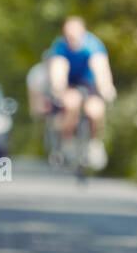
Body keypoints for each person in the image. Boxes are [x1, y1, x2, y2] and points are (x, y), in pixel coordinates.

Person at [46, 16, 116, 170]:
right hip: (70, 84)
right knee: (71, 104)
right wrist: (58, 88)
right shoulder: (60, 46)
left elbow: (101, 68)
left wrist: (106, 87)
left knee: (95, 111)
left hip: (90, 83)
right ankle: (67, 142)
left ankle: (94, 143)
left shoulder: (93, 44)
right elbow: (58, 69)